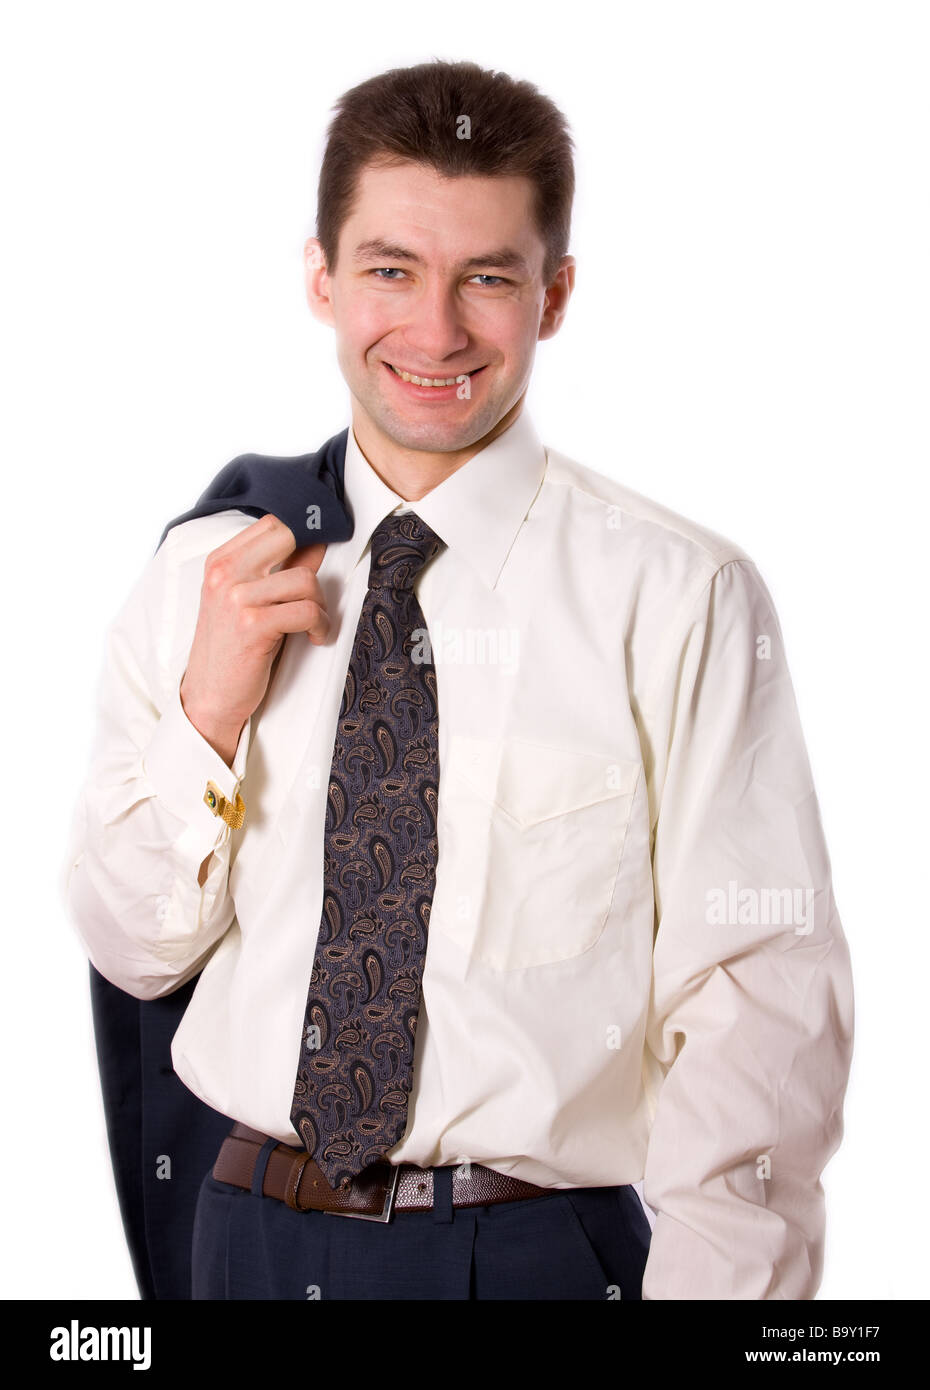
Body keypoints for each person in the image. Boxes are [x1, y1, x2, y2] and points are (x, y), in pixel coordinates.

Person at [62, 58, 854, 1301]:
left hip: (528, 1252)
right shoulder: (213, 571)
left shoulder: (678, 594)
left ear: (555, 295)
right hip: (248, 1241)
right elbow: (133, 947)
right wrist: (209, 715)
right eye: (390, 270)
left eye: (487, 277)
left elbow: (758, 1009)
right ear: (322, 278)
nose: (434, 331)